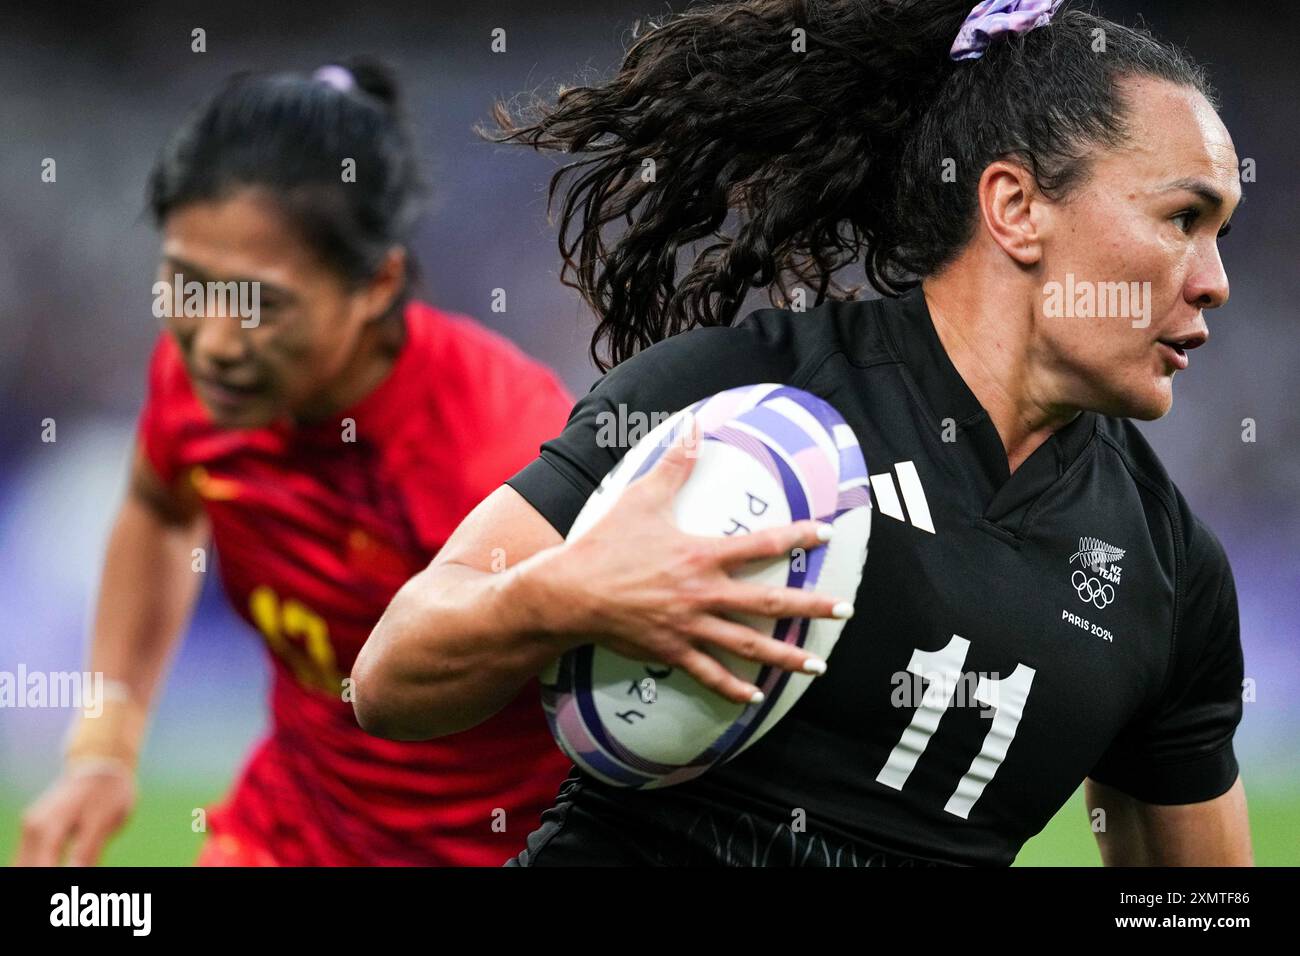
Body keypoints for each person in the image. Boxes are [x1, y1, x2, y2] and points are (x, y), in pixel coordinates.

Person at [352, 1, 1252, 866]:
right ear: (1015, 207)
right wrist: (563, 595)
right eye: (1183, 218)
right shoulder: (743, 399)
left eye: (1220, 233)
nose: (1212, 280)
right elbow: (391, 679)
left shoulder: (1170, 569)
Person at [16, 59, 575, 867]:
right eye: (185, 284)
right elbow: (159, 511)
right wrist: (105, 744)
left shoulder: (506, 452)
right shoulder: (204, 389)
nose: (210, 341)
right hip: (285, 836)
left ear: (378, 282)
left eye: (259, 303)